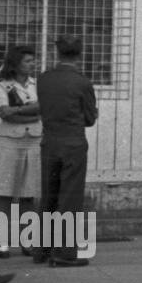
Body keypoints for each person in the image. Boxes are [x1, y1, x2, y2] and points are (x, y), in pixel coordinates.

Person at [35, 35, 97, 266]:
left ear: (56, 53)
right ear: (79, 54)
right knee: (69, 198)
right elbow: (89, 119)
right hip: (73, 144)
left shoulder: (43, 79)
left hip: (49, 142)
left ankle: (41, 250)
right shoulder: (82, 83)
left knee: (49, 196)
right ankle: (64, 253)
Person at [0, 45, 41, 259]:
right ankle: (1, 242)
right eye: (28, 61)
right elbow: (5, 114)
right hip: (9, 142)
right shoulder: (1, 86)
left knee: (28, 194)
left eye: (33, 60)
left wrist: (20, 110)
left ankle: (27, 241)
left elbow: (45, 108)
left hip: (33, 141)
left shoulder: (37, 85)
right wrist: (32, 111)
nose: (32, 64)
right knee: (4, 193)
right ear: (15, 64)